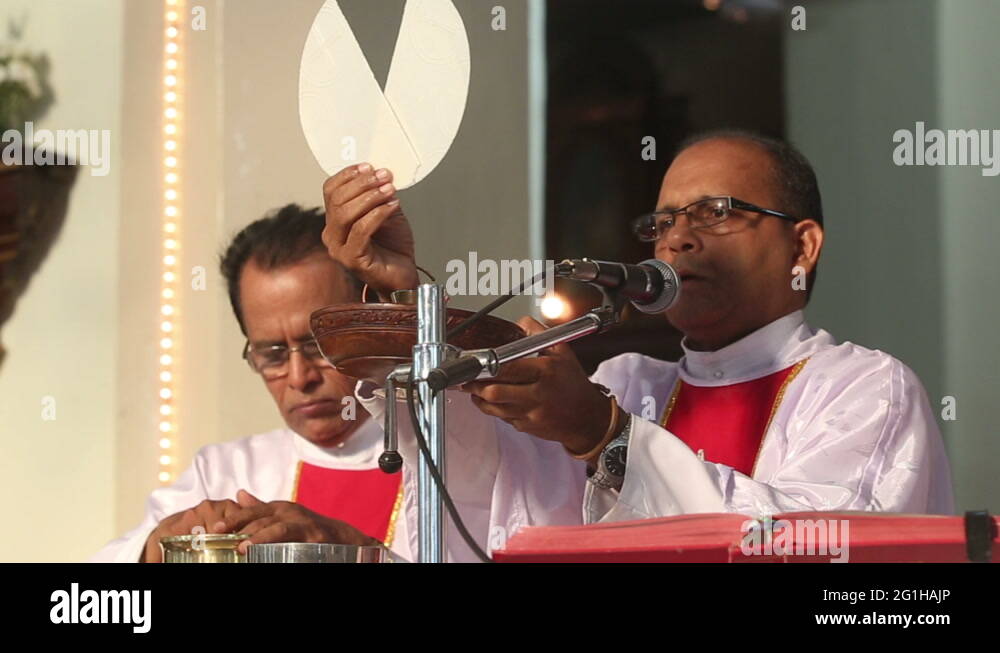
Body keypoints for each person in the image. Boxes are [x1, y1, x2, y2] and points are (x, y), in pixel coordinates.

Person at [324, 132, 954, 529]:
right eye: (663, 222)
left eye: (716, 212)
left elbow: (814, 547)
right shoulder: (627, 383)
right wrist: (404, 301)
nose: (678, 238)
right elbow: (493, 500)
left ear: (803, 245)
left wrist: (606, 435)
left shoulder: (864, 389)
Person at [91, 204, 586, 563]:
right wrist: (154, 549)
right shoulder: (225, 473)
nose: (300, 378)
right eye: (272, 354)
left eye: (316, 346)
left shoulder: (457, 446)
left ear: (360, 329)